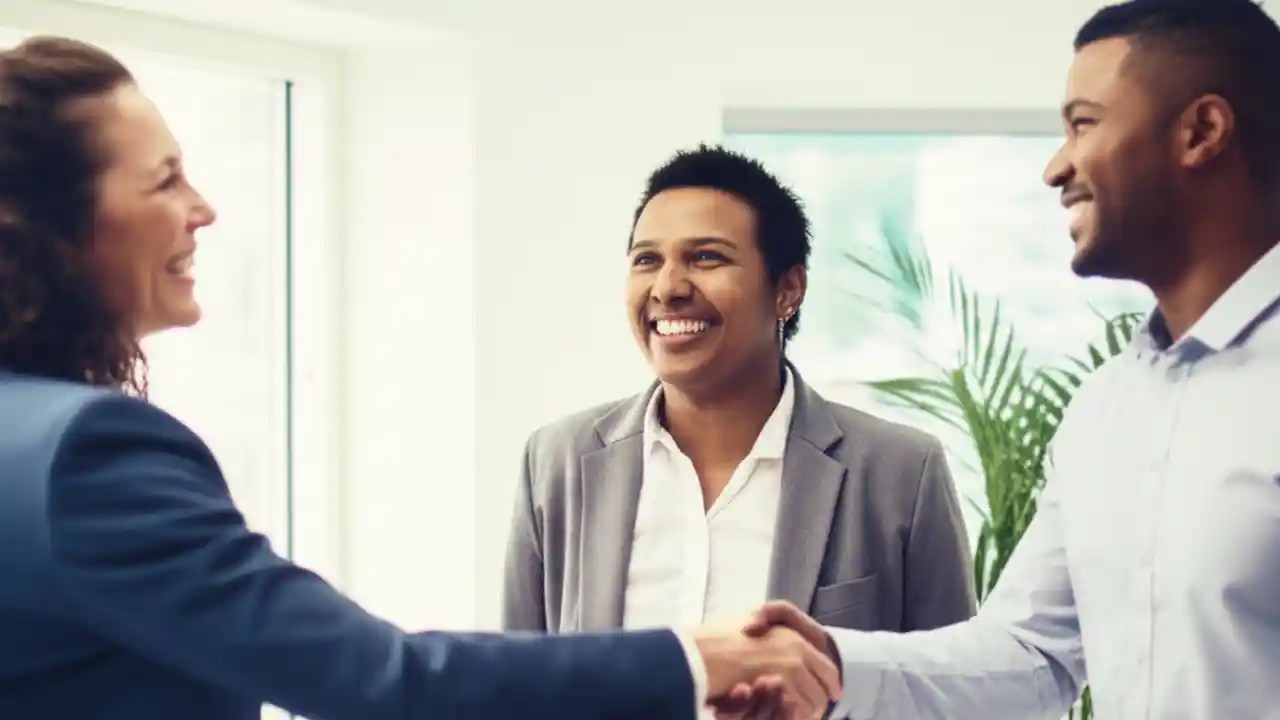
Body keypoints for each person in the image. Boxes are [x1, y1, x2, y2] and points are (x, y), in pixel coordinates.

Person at [0, 36, 842, 720]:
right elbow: (382, 679)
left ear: (788, 287)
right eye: (163, 178)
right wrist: (697, 659)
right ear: (62, 229)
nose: (204, 206)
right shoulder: (89, 454)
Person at [738, 1, 1280, 718]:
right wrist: (825, 666)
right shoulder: (1106, 408)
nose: (1057, 167)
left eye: (1084, 123)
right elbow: (1028, 655)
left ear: (1202, 131)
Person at [501, 146, 976, 691]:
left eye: (706, 257)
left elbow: (955, 694)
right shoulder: (557, 464)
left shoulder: (899, 473)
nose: (668, 287)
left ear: (788, 290)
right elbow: (521, 688)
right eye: (647, 259)